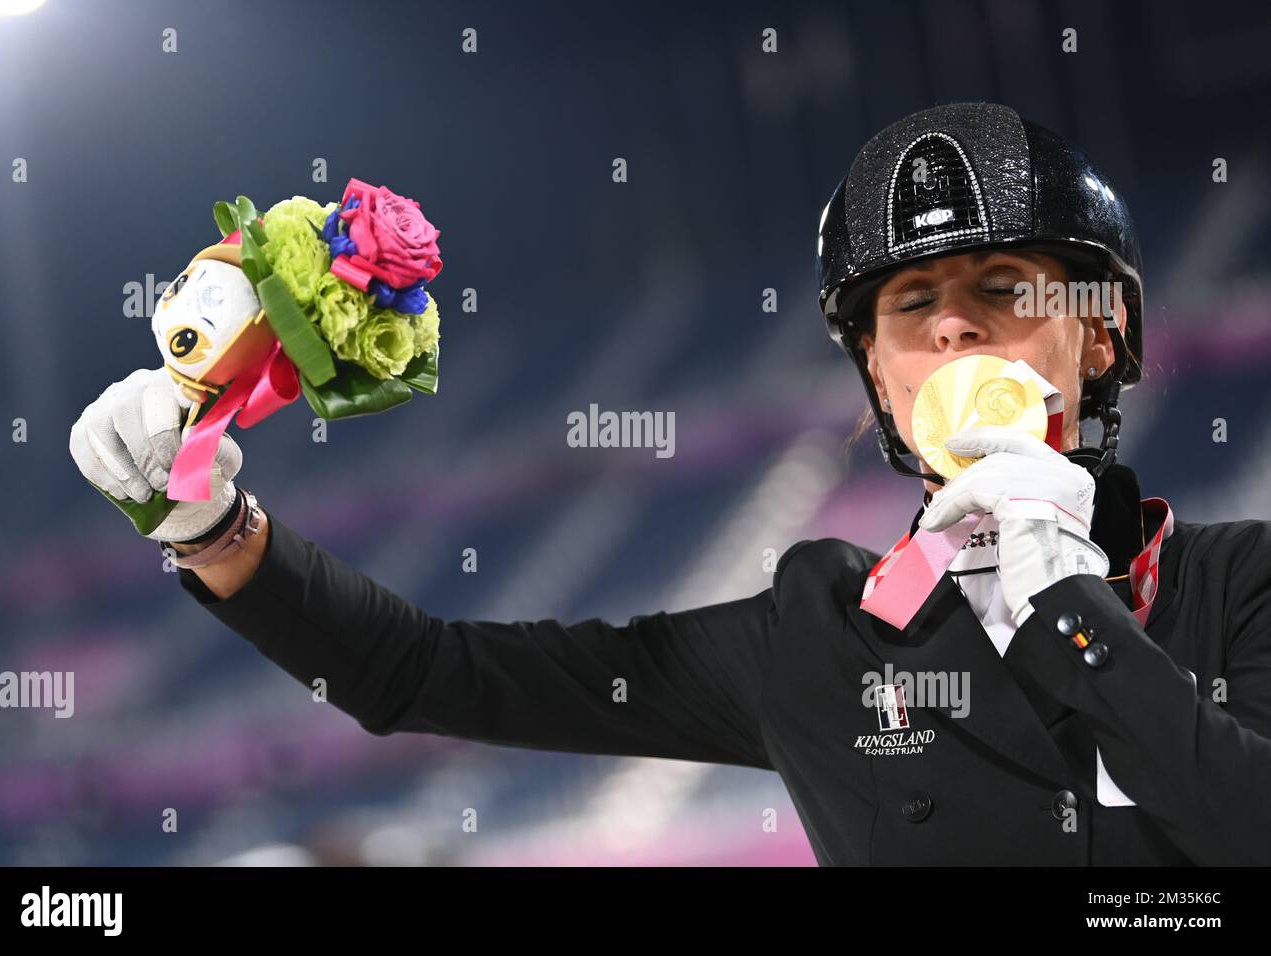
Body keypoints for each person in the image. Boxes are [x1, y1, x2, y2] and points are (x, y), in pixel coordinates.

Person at [70, 102, 1271, 865]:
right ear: (875, 373)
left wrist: (1069, 604)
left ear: (1098, 333)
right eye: (910, 307)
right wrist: (217, 527)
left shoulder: (1245, 582)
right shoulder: (817, 631)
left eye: (1005, 287)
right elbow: (427, 675)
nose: (954, 331)